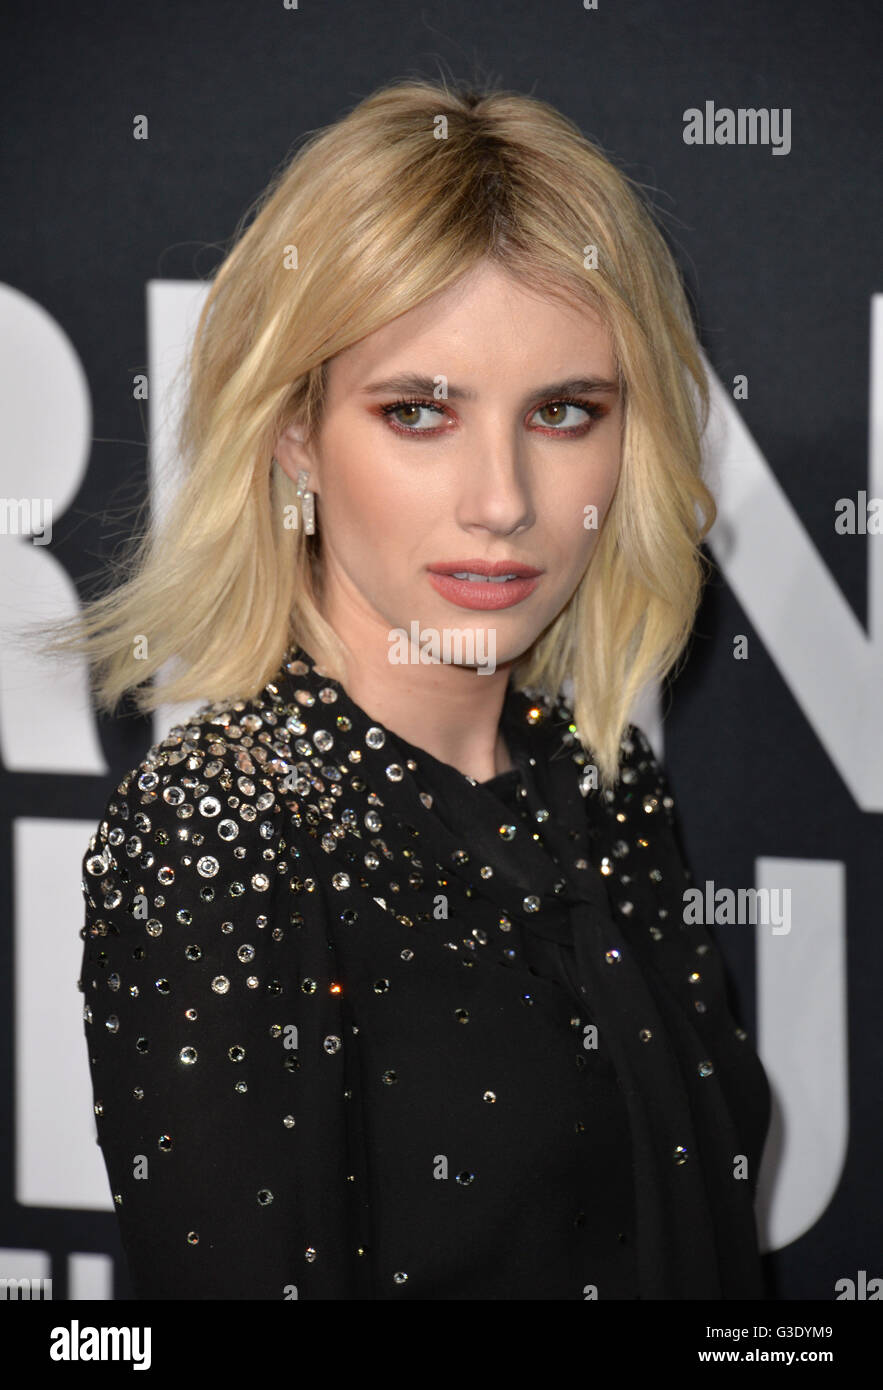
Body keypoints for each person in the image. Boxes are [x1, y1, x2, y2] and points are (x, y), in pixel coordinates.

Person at [58, 76, 770, 1298]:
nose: (502, 501)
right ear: (293, 433)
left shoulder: (604, 785)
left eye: (561, 411)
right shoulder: (225, 835)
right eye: (418, 412)